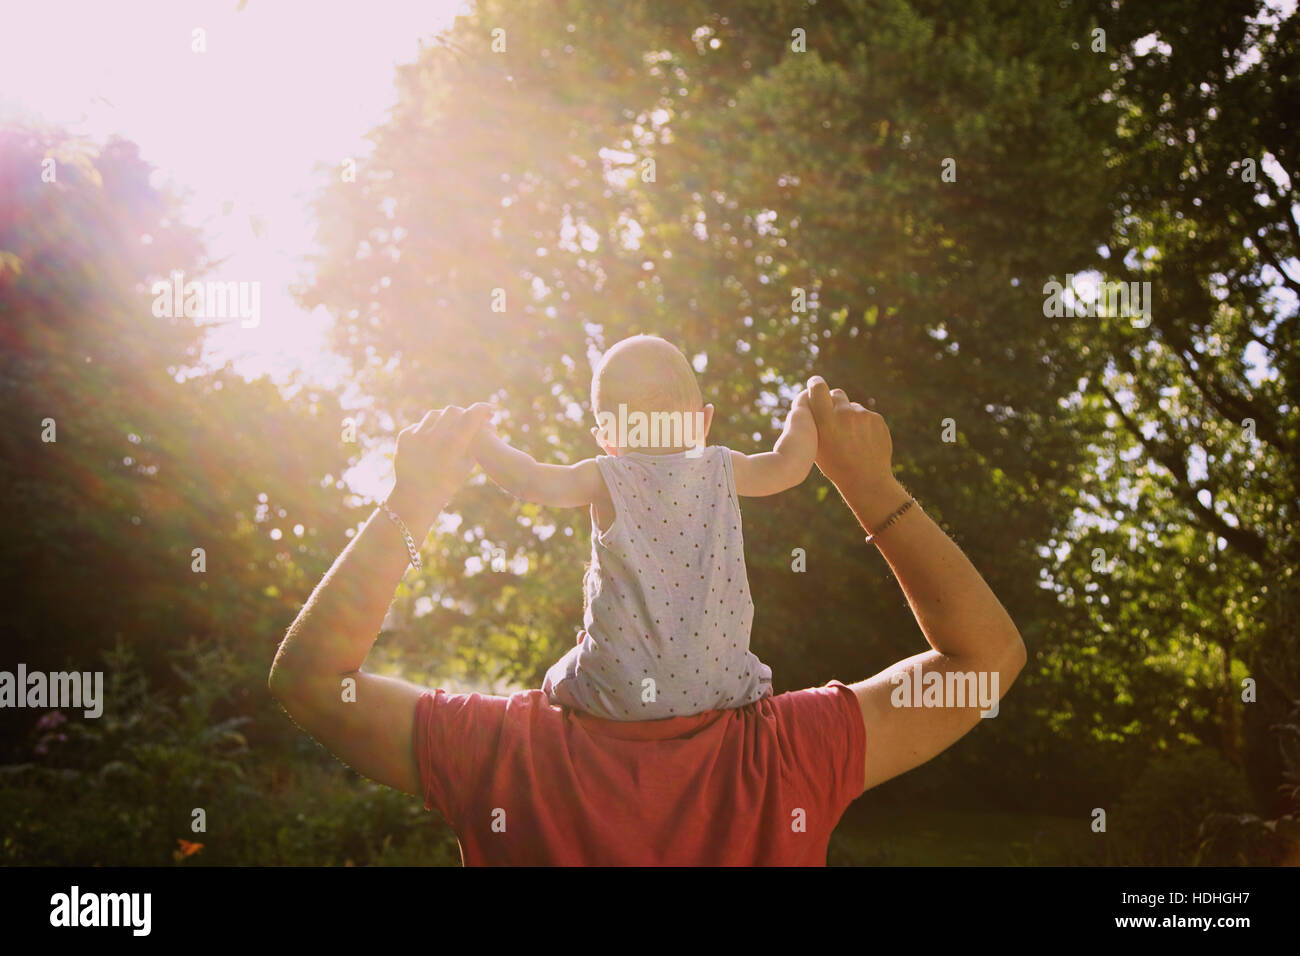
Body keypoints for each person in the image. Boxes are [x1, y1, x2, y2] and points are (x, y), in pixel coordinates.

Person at [268, 376, 1027, 865]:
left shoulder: (502, 756)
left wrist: (421, 492)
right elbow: (984, 665)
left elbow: (309, 681)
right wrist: (867, 482)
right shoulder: (793, 755)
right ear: (699, 423)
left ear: (608, 435)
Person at [471, 333, 817, 719]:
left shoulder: (609, 475)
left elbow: (530, 480)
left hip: (624, 695)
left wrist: (480, 439)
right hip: (725, 687)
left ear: (607, 439)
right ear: (703, 421)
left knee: (560, 675)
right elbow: (789, 464)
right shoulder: (723, 465)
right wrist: (804, 409)